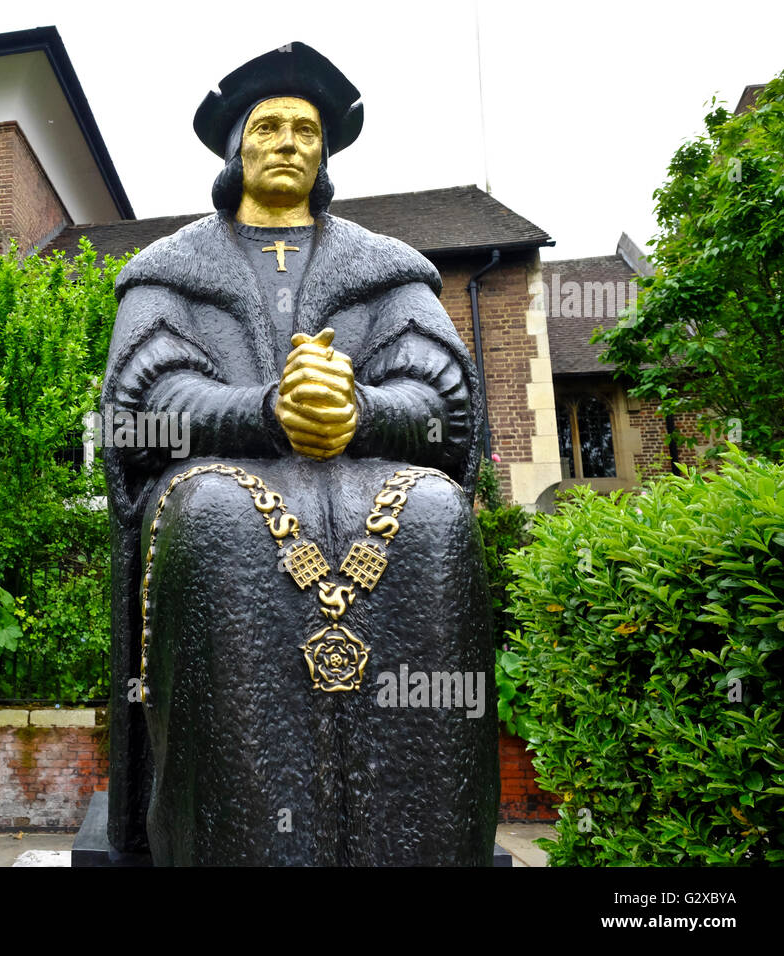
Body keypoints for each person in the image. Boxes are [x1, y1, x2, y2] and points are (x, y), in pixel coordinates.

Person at [102, 43, 497, 865]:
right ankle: (225, 839)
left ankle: (426, 840)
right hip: (217, 483)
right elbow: (146, 402)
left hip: (368, 474)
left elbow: (446, 405)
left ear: (324, 154)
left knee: (434, 512)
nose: (288, 142)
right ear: (234, 146)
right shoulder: (170, 272)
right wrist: (268, 411)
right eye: (269, 126)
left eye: (306, 131)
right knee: (213, 515)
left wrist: (359, 414)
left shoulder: (387, 271)